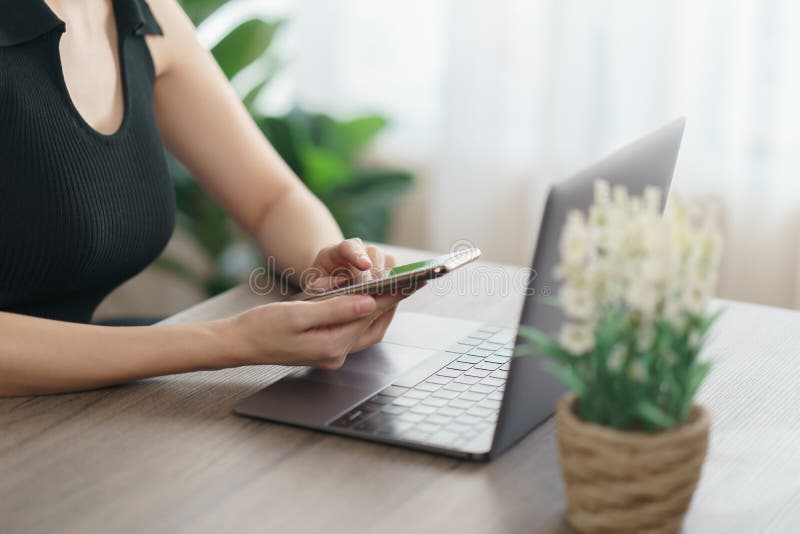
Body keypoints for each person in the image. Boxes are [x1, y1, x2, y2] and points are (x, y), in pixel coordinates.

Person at [0, 0, 415, 397]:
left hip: (68, 395)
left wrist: (328, 270)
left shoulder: (145, 14)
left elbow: (272, 198)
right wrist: (229, 341)